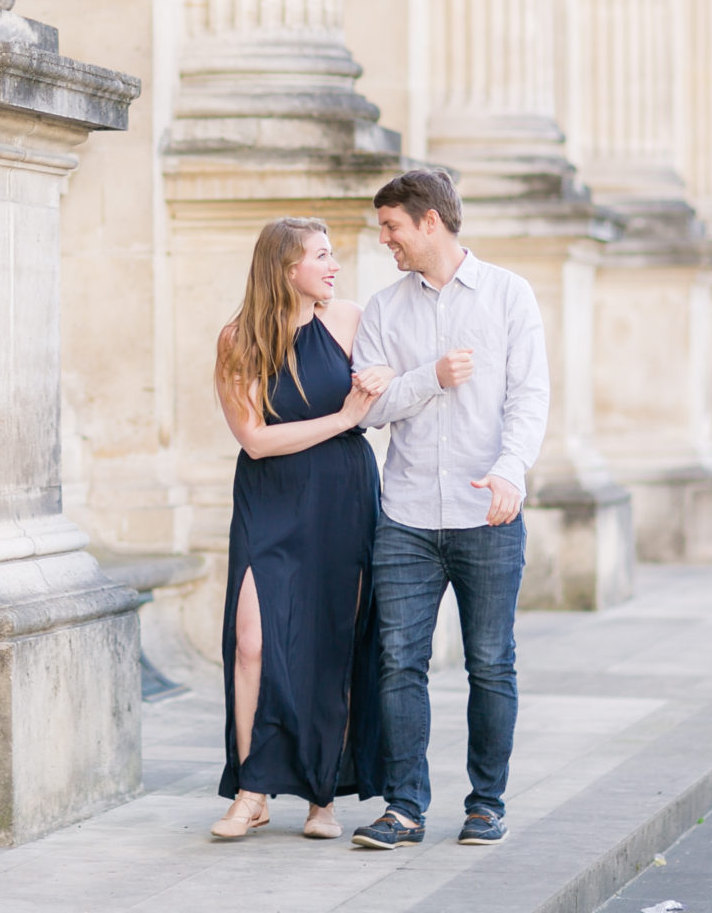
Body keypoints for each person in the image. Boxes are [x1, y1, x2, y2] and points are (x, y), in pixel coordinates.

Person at [347, 168, 549, 851]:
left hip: (487, 512)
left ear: (429, 221)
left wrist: (510, 470)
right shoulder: (383, 309)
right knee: (398, 663)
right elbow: (369, 410)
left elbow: (528, 396)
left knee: (490, 662)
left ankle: (486, 804)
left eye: (392, 228)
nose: (385, 242)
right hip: (404, 515)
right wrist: (427, 378)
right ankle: (404, 809)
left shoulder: (508, 296)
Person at [209, 217, 388, 841]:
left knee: (331, 640)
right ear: (287, 269)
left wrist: (385, 380)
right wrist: (345, 417)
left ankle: (323, 799)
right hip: (271, 498)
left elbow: (395, 385)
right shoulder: (238, 339)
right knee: (253, 639)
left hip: (343, 495)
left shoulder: (350, 319)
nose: (334, 265)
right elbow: (255, 440)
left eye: (332, 254)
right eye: (321, 255)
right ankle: (252, 791)